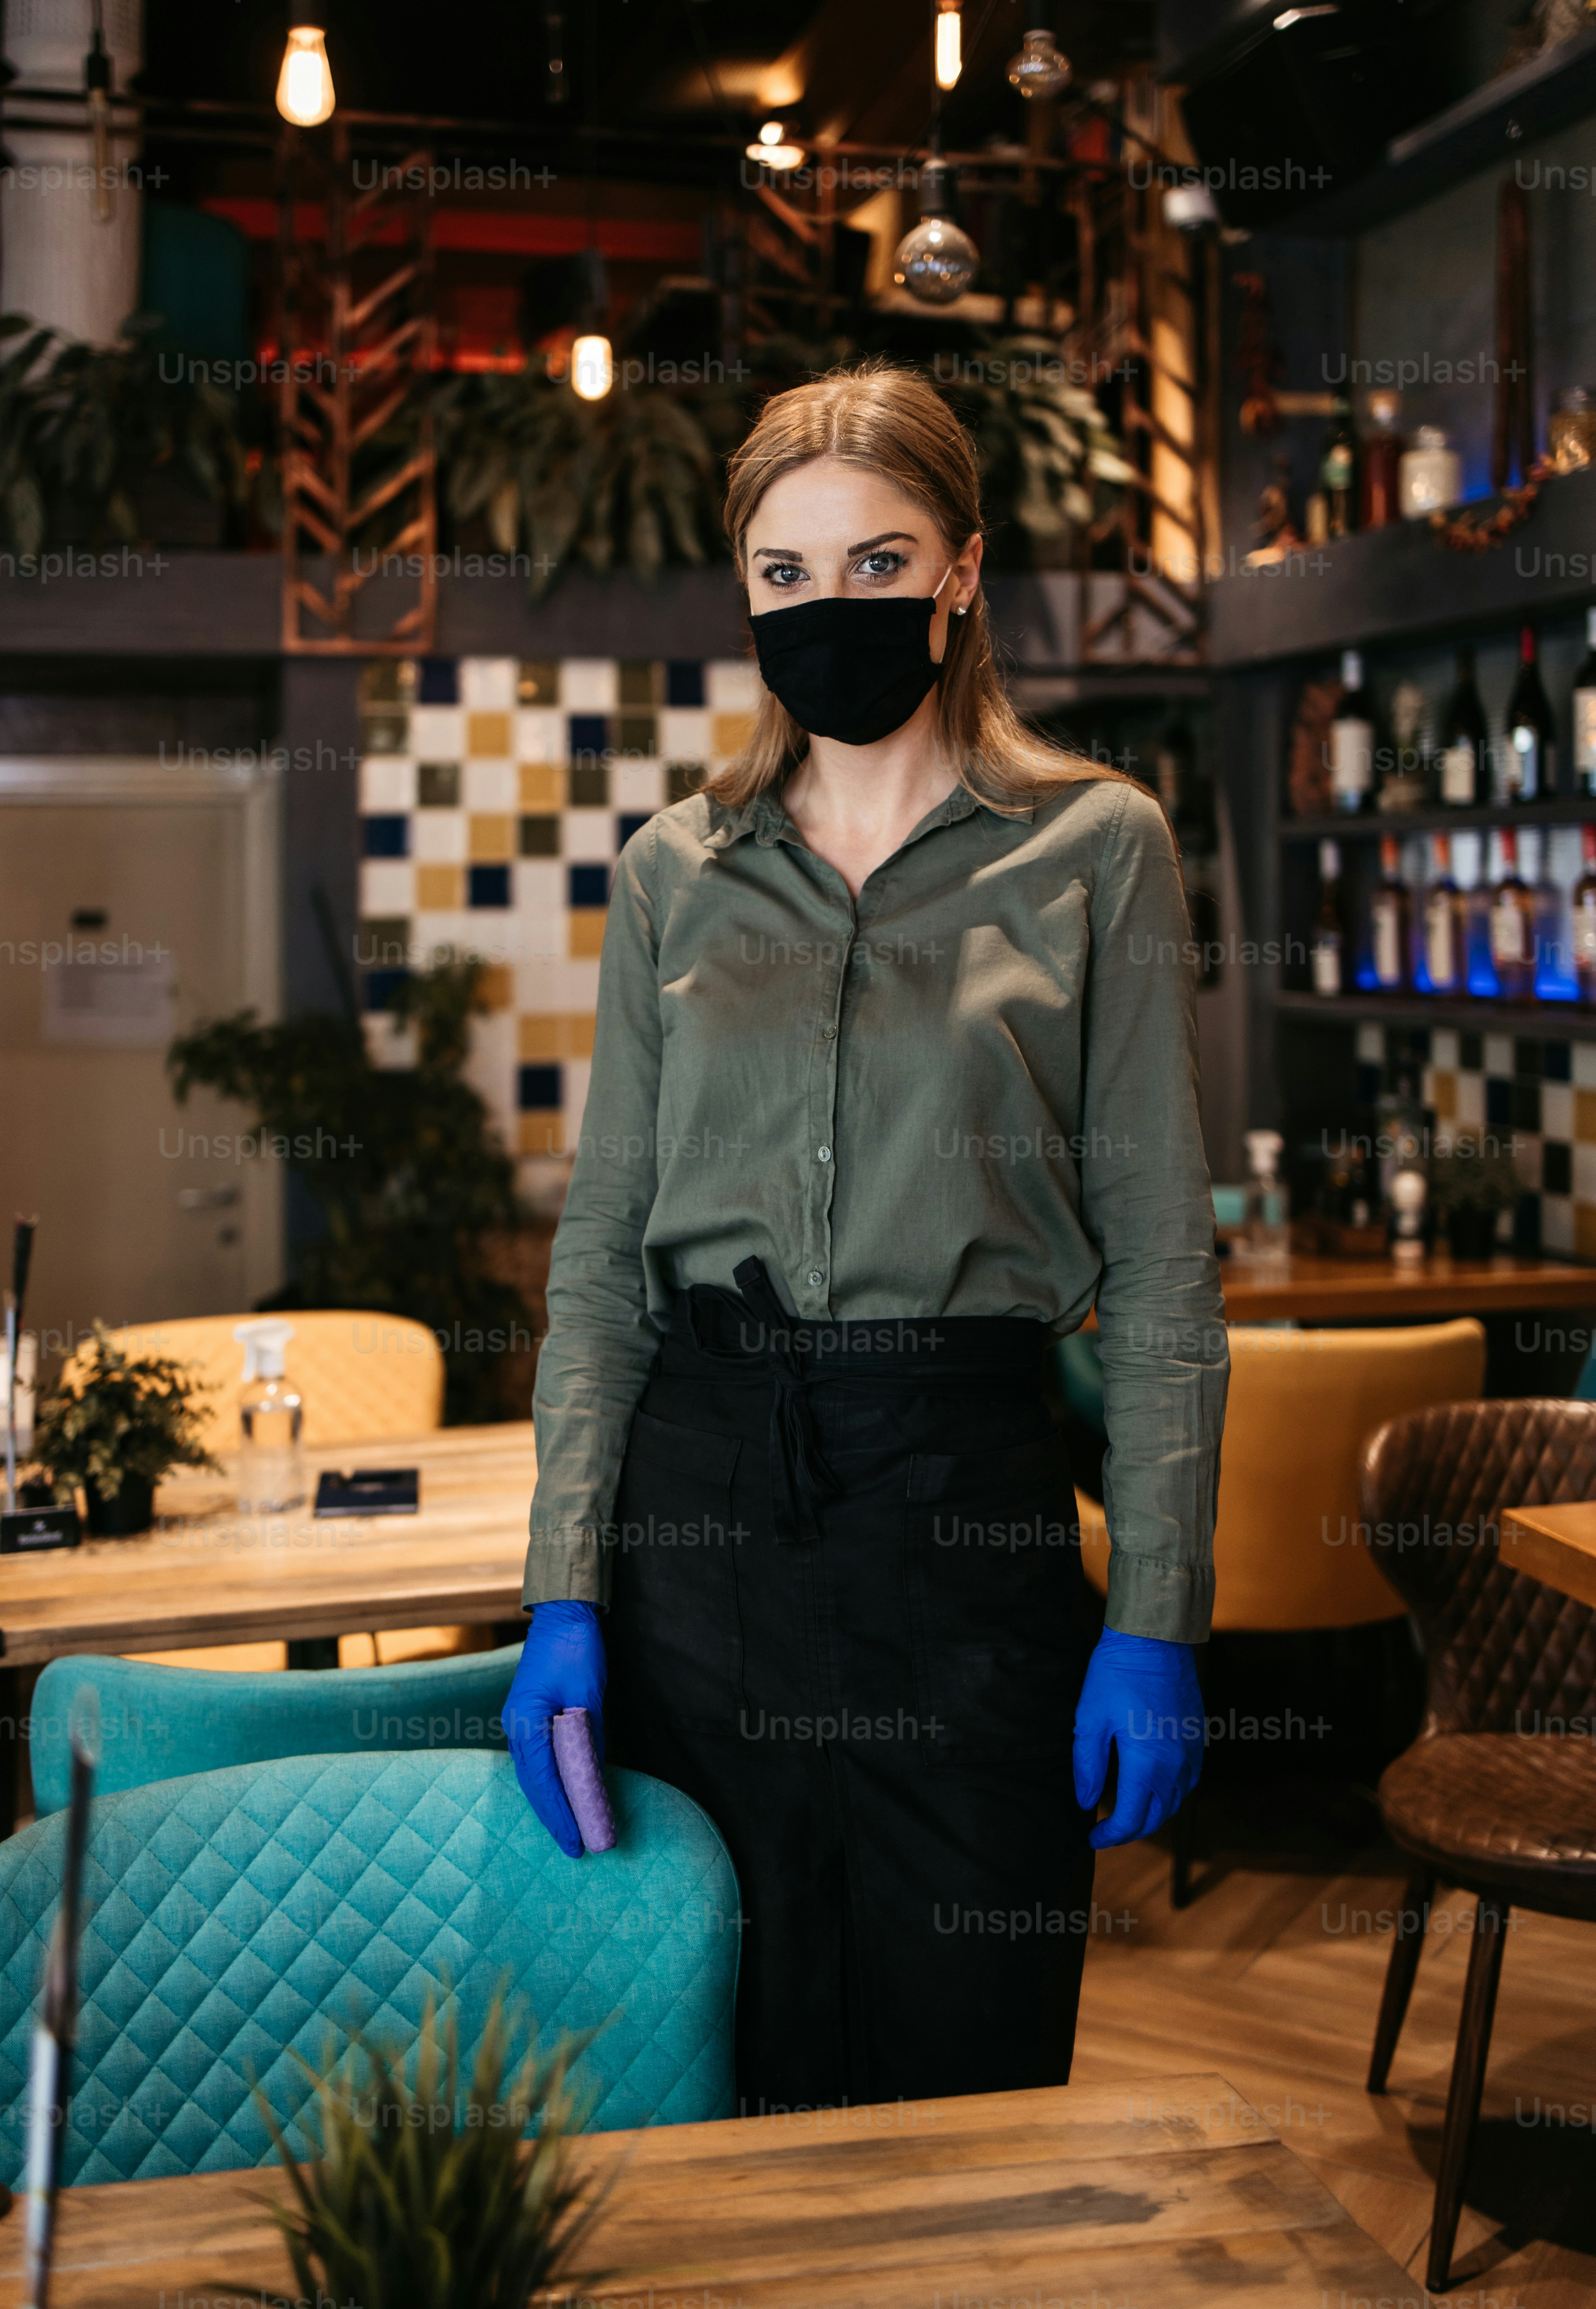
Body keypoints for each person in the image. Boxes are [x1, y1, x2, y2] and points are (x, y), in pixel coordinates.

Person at [503, 361, 1227, 2110]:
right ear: (746, 594)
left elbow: (1160, 1265)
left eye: (875, 562)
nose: (827, 607)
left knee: (969, 2057)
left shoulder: (1095, 847)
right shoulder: (675, 870)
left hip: (959, 1507)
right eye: (785, 573)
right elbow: (604, 1257)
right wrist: (562, 1594)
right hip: (701, 1523)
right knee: (718, 2060)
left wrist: (1159, 1616)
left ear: (961, 573)